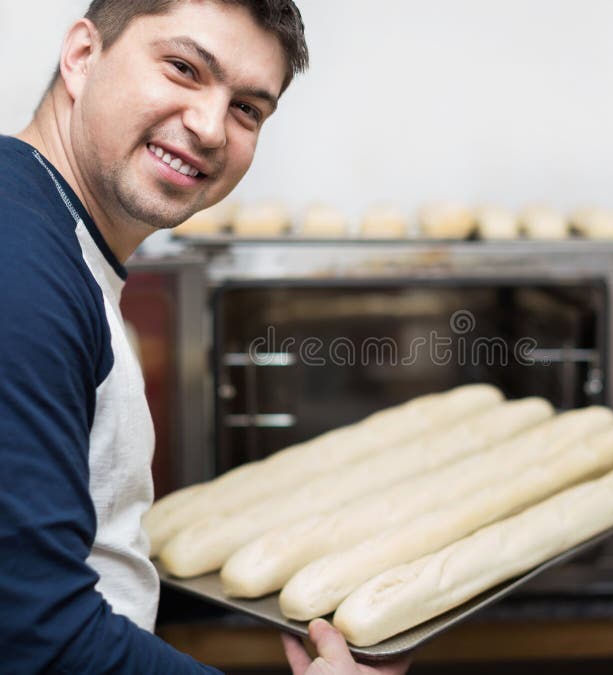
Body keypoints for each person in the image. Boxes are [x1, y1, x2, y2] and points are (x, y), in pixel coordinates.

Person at [0, 1, 412, 673]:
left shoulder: (51, 237)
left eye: (248, 108)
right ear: (81, 57)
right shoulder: (19, 268)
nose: (210, 126)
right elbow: (32, 635)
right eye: (183, 68)